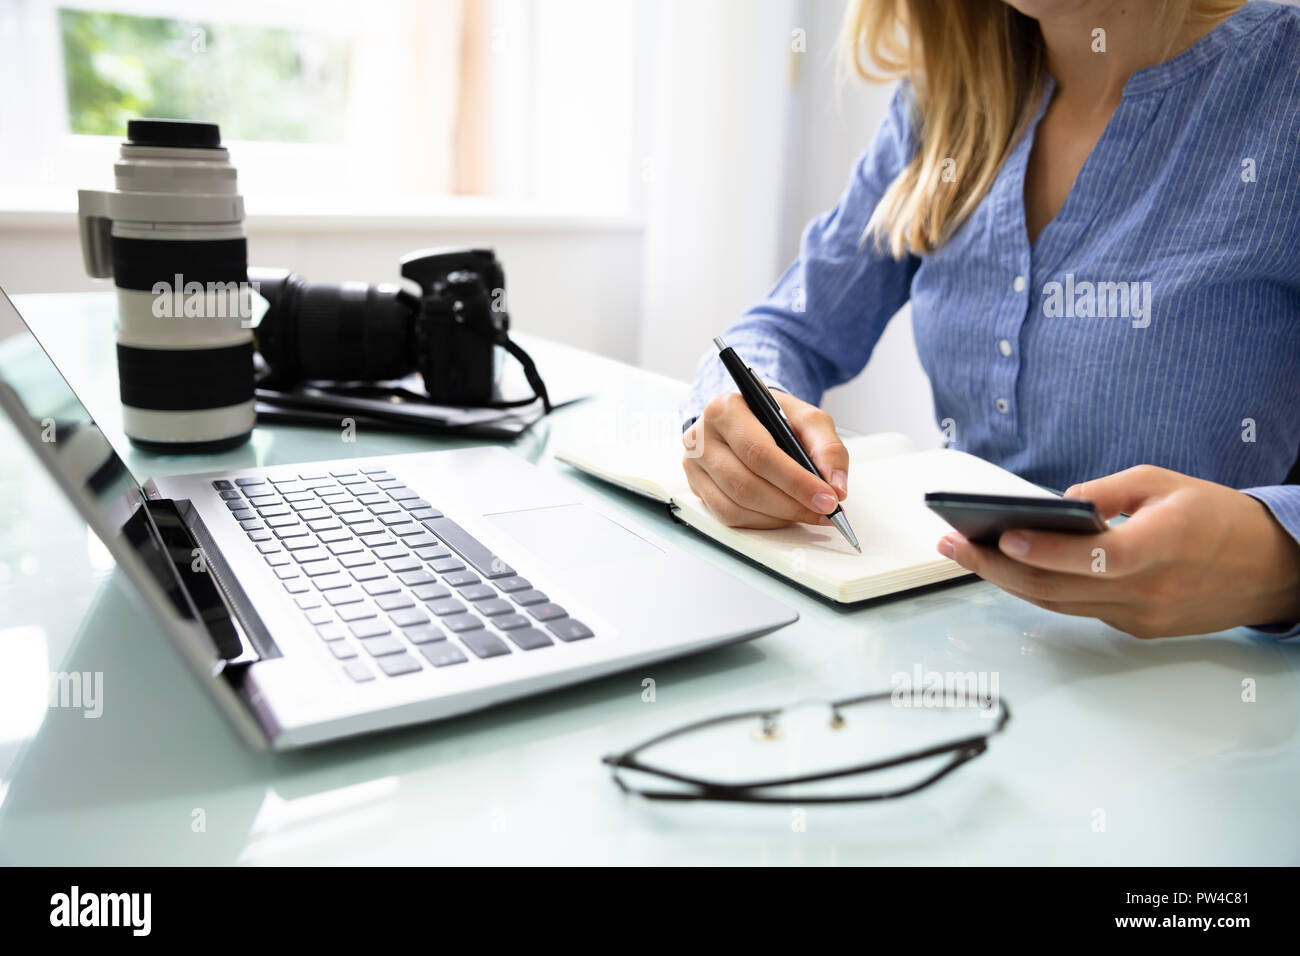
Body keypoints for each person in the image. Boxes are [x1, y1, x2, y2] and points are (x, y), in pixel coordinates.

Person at [679, 0, 1300, 638]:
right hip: (958, 646)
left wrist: (1281, 561)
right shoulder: (942, 99)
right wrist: (739, 419)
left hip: (1205, 683)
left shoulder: (1285, 76)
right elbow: (782, 330)